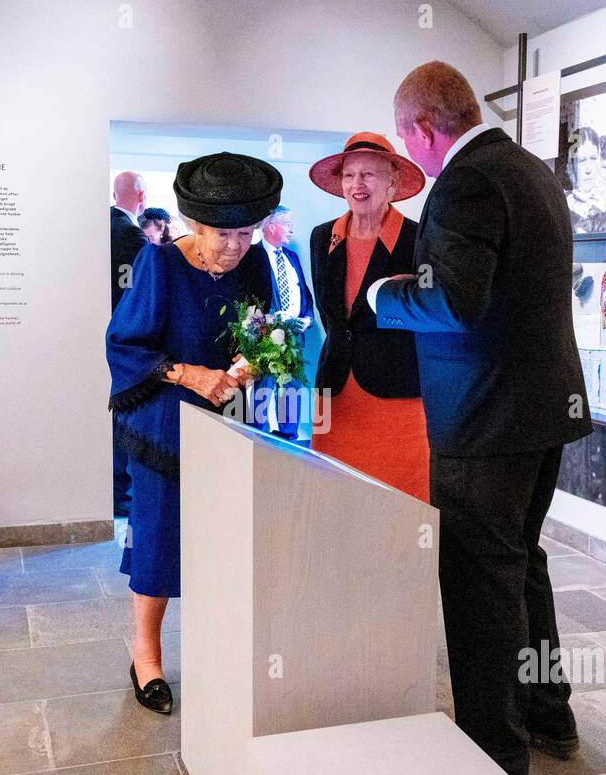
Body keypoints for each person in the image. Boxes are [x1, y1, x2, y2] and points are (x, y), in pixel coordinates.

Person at [368, 60, 593, 775]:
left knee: (478, 587)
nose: (413, 159)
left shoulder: (464, 183)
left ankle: (494, 758)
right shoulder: (530, 171)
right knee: (521, 565)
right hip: (541, 412)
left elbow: (452, 302)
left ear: (425, 129)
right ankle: (549, 714)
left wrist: (383, 296)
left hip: (484, 421)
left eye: (409, 143)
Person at [107, 152, 279, 715]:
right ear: (193, 226)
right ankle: (147, 657)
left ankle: (217, 649)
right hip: (166, 425)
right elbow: (124, 344)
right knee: (158, 537)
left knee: (224, 540)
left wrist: (251, 361)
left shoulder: (255, 264)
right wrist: (190, 375)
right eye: (222, 234)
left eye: (246, 233)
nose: (234, 246)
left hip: (231, 421)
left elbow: (264, 330)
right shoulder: (158, 264)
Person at [307, 131, 429, 501]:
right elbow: (331, 317)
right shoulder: (321, 237)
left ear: (392, 182)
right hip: (337, 393)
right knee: (336, 498)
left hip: (398, 394)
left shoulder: (418, 238)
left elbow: (427, 314)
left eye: (369, 175)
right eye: (349, 175)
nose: (357, 185)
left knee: (399, 503)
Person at [251, 205, 313, 441]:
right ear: (272, 226)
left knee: (292, 389)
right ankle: (259, 439)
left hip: (295, 337)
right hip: (264, 336)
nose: (291, 230)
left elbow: (303, 292)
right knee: (263, 390)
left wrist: (307, 319)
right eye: (287, 224)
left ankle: (289, 438)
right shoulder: (252, 256)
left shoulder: (292, 257)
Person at [110, 171, 148, 516]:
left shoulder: (106, 224)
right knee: (123, 417)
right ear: (140, 197)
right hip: (128, 340)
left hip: (110, 333)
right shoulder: (131, 234)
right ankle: (120, 494)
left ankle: (116, 490)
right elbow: (141, 293)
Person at [564, 126, 606, 233]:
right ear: (572, 165)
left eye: (593, 159)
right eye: (582, 160)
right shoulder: (564, 205)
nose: (588, 169)